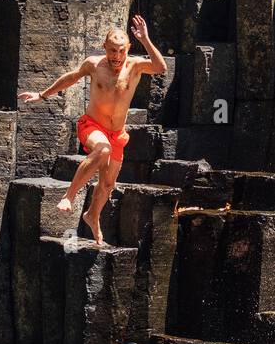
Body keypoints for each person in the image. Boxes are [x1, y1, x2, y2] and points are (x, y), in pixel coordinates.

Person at [19, 15, 168, 245]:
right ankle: (69, 195)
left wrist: (146, 40)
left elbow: (160, 67)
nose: (116, 57)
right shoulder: (94, 64)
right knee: (103, 150)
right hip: (92, 126)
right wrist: (42, 94)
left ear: (128, 49)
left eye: (121, 51)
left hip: (117, 134)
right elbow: (71, 78)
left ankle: (92, 215)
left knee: (108, 184)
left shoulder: (135, 66)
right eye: (112, 51)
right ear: (104, 48)